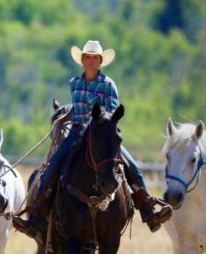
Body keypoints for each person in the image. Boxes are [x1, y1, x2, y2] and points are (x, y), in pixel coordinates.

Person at [13, 40, 171, 237]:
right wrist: (64, 117)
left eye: (95, 57)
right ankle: (36, 218)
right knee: (51, 167)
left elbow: (112, 112)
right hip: (77, 132)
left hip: (102, 134)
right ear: (82, 60)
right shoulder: (75, 83)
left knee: (132, 167)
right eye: (88, 57)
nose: (91, 61)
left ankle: (148, 211)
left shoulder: (108, 85)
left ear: (100, 61)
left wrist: (96, 121)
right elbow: (77, 108)